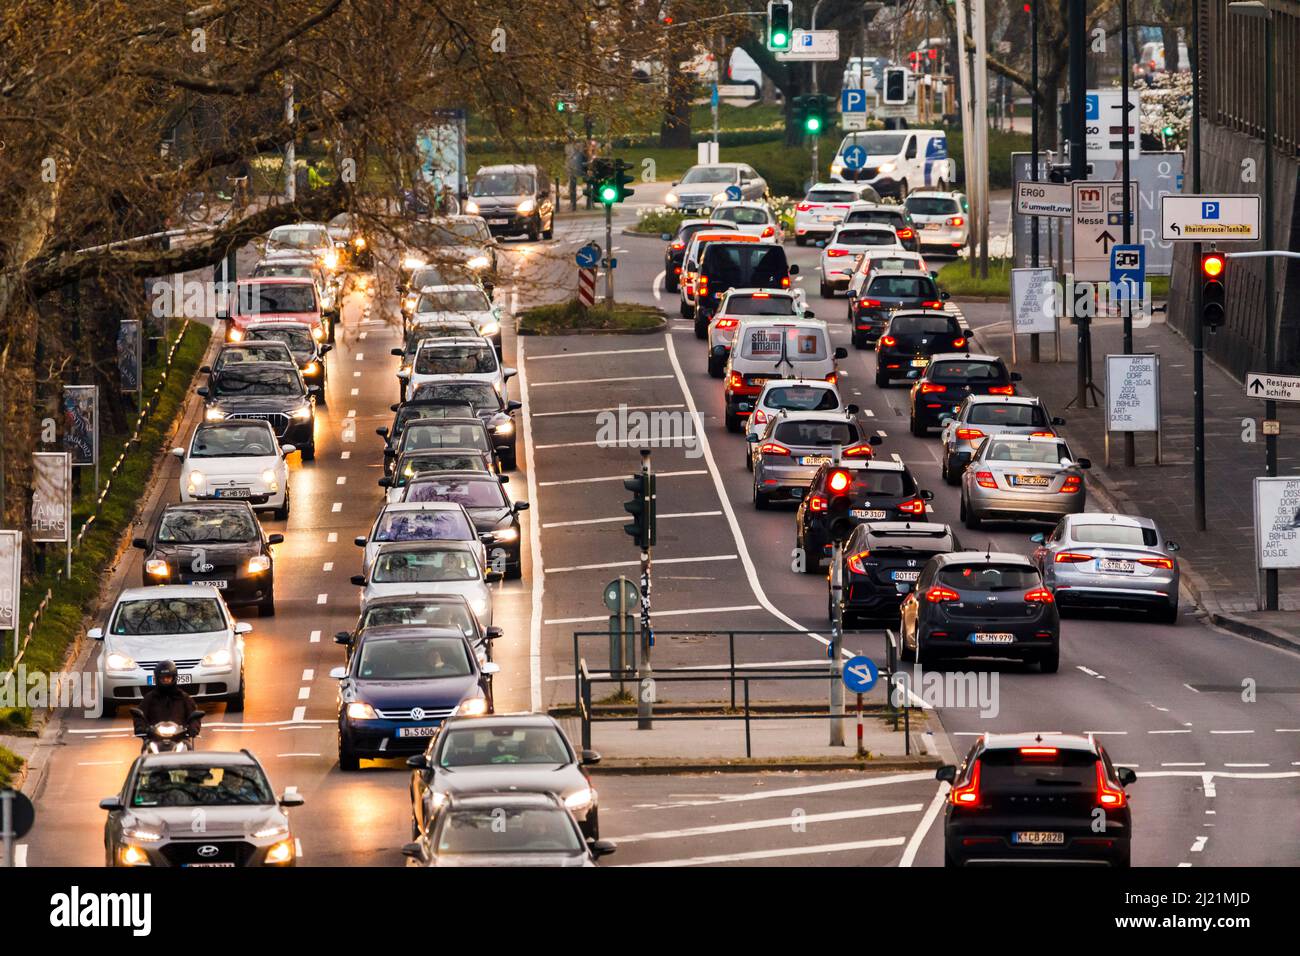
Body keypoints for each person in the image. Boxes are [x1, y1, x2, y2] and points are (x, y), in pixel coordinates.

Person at [137, 660, 202, 739]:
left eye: (168, 677)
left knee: (188, 747)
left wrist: (193, 727)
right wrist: (140, 727)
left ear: (174, 677)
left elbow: (194, 715)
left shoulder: (183, 697)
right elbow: (139, 715)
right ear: (157, 679)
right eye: (162, 678)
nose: (165, 680)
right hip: (154, 738)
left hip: (180, 738)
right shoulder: (149, 698)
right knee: (146, 749)